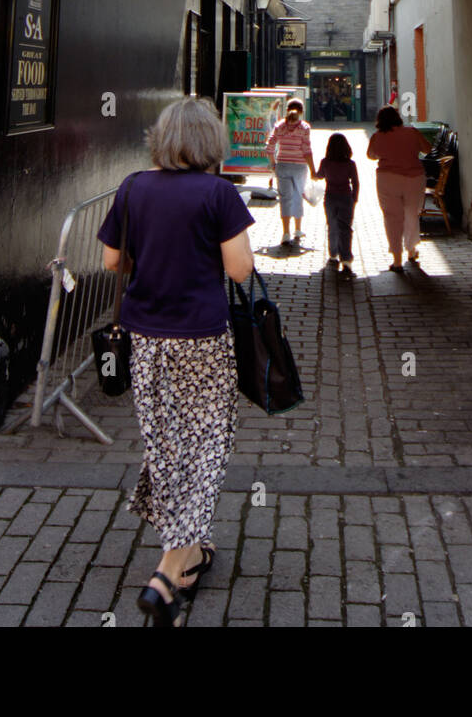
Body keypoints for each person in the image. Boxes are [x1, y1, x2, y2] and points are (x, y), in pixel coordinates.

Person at [97, 96, 254, 628]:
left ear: (161, 139)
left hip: (145, 336)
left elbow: (111, 259)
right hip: (202, 339)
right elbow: (239, 271)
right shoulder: (219, 193)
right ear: (210, 142)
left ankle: (190, 555)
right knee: (207, 444)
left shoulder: (133, 187)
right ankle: (167, 575)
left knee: (166, 442)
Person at [366, 104, 432, 270]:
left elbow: (371, 155)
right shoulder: (412, 132)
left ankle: (396, 259)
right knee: (411, 214)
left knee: (392, 217)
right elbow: (427, 149)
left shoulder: (377, 136)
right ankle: (411, 250)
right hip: (414, 178)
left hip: (388, 179)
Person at [265, 97, 316, 246]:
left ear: (288, 110)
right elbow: (307, 150)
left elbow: (269, 147)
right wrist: (313, 170)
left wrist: (273, 164)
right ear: (301, 111)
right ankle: (298, 229)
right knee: (297, 196)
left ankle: (286, 232)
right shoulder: (305, 128)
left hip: (282, 165)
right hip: (300, 166)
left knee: (285, 198)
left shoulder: (280, 126)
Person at [317, 132, 359, 277]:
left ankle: (333, 253)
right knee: (345, 228)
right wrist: (354, 198)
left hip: (330, 197)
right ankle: (346, 259)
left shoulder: (325, 162)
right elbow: (355, 182)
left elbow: (319, 175)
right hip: (346, 197)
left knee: (332, 225)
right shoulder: (350, 164)